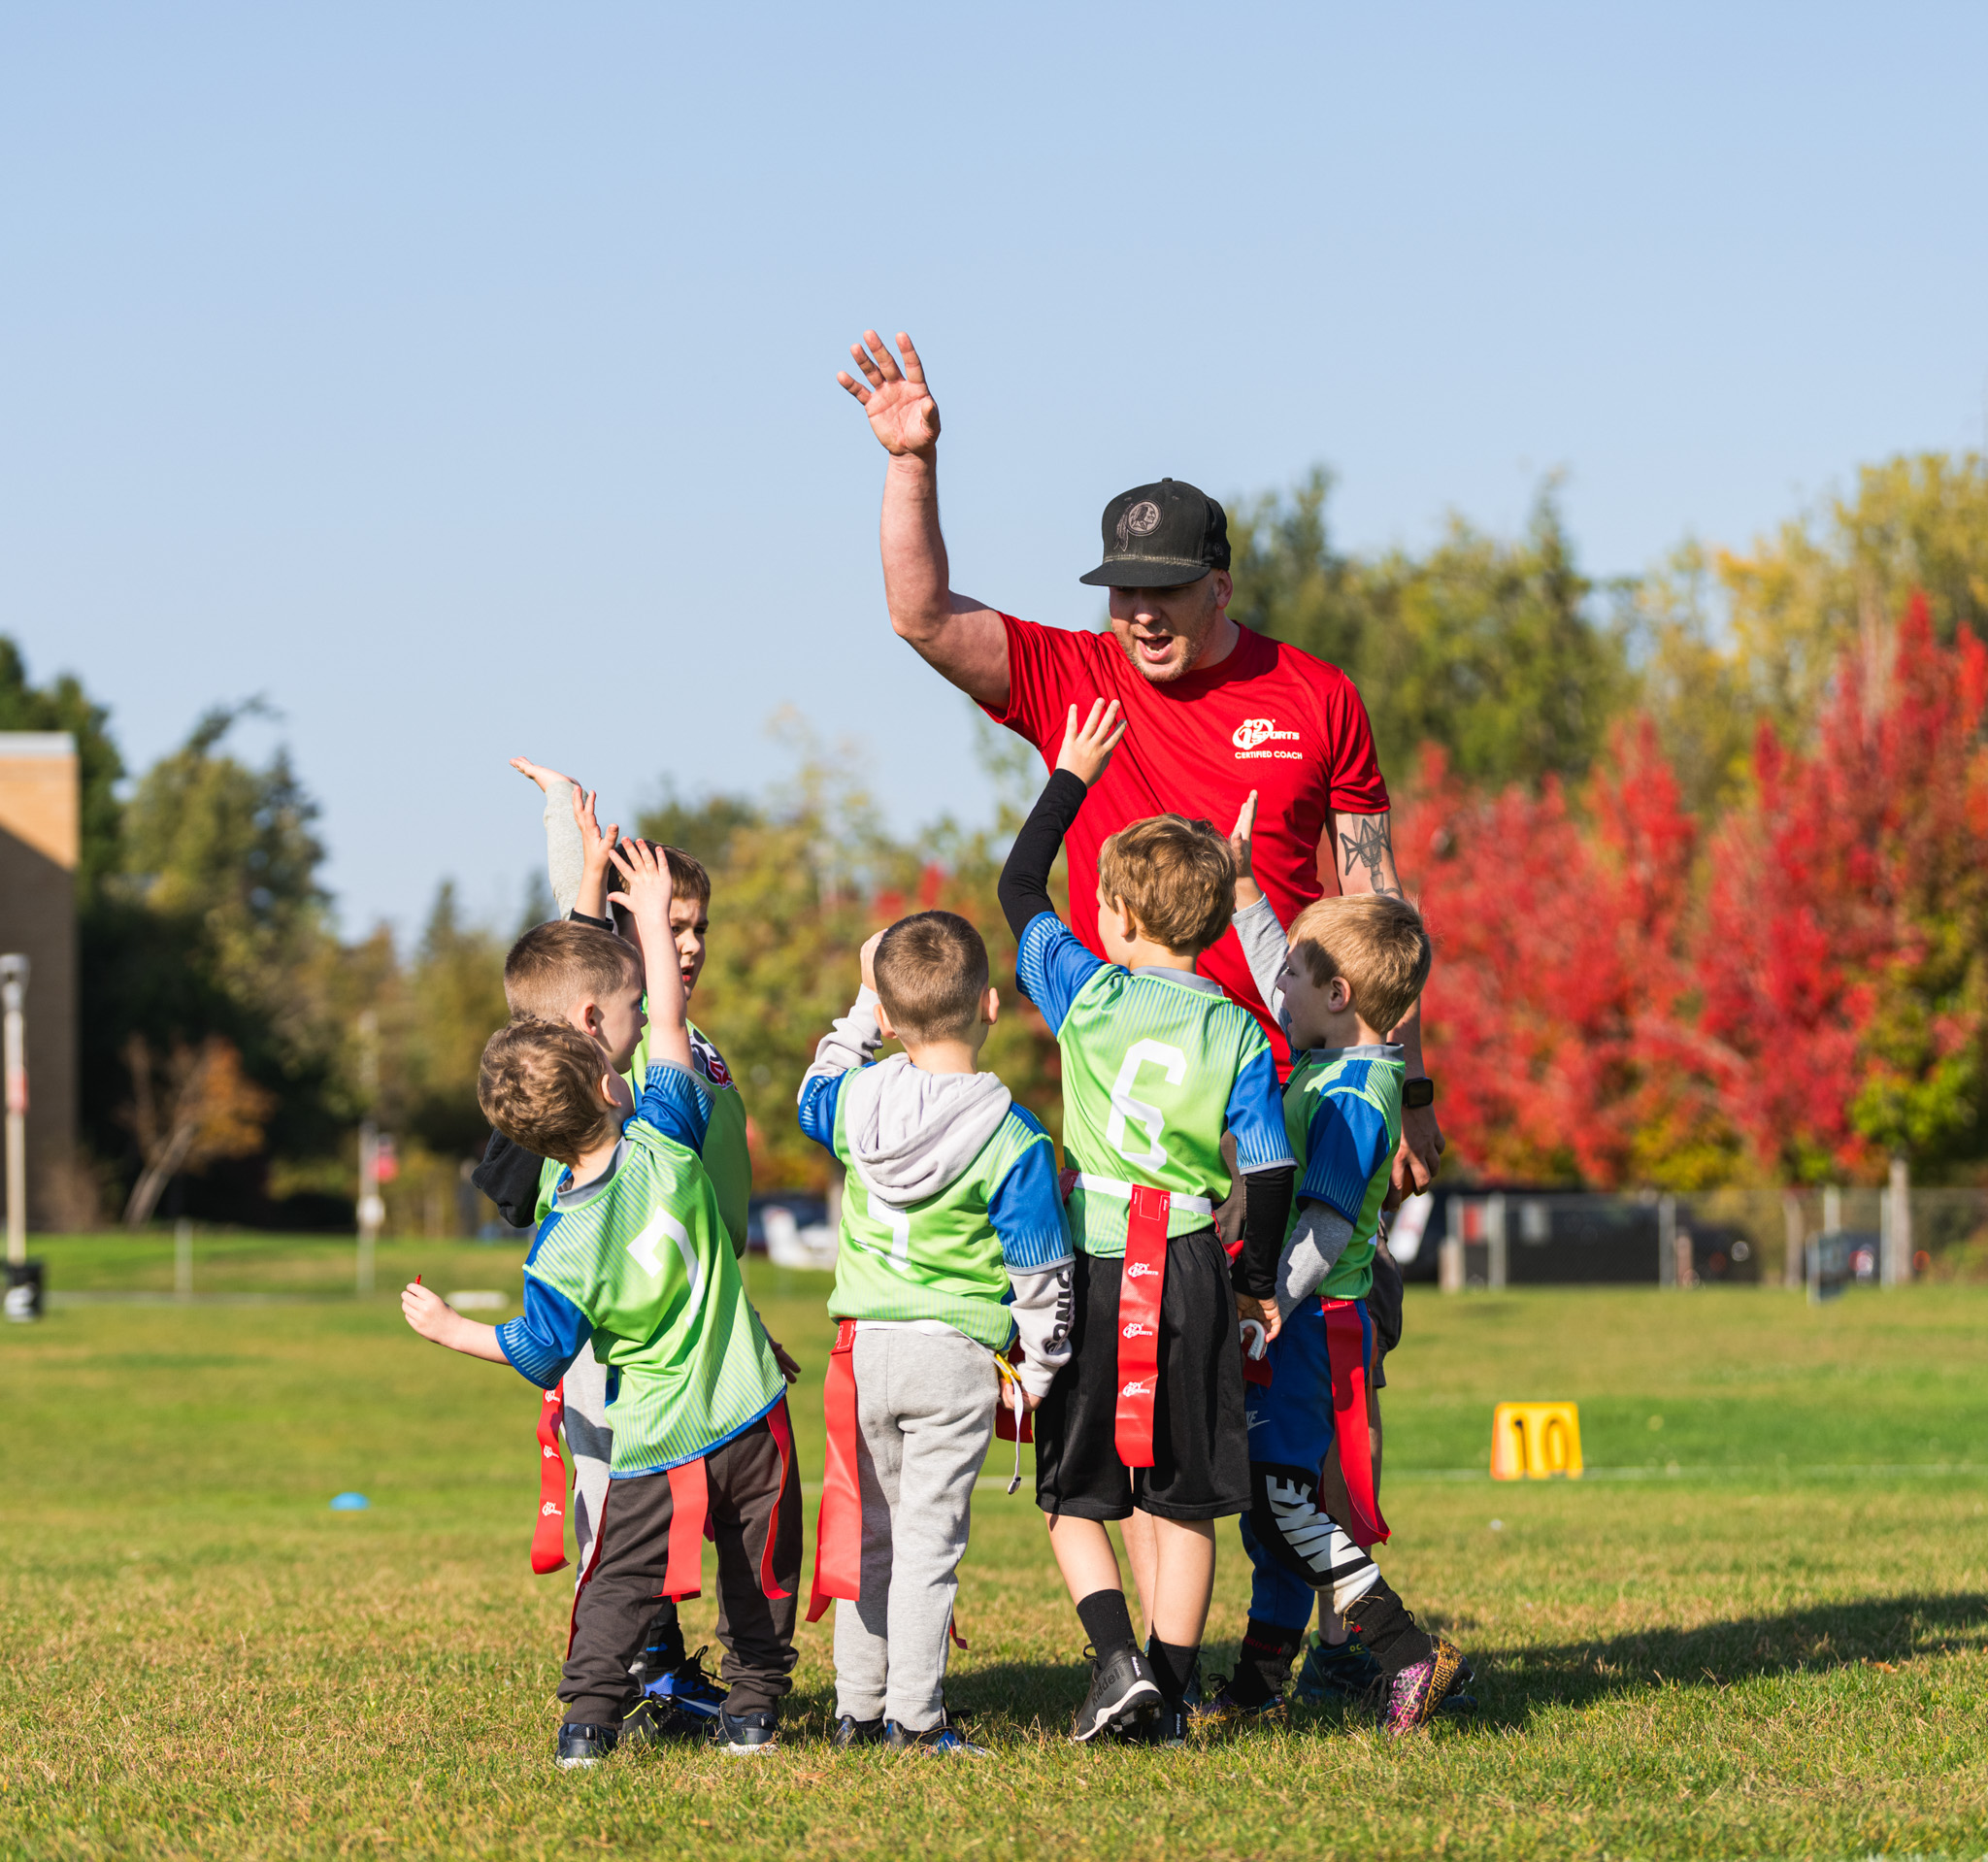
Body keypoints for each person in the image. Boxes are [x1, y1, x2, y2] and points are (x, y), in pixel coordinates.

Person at [835, 329, 1442, 1204]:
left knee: (1304, 1323)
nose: (1143, 616)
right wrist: (911, 464)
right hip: (1131, 1105)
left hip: (1287, 1086)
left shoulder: (1317, 695)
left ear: (1220, 587)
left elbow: (1380, 917)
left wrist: (1408, 1086)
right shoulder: (1071, 678)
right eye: (1125, 592)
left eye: (1166, 591)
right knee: (1145, 1335)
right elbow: (922, 615)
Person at [403, 841, 801, 1768]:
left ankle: (586, 1723)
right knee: (760, 1569)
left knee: (618, 1578)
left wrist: (453, 1328)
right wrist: (654, 925)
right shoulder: (669, 1133)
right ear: (605, 1074)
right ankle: (753, 1713)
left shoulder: (561, 1244)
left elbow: (540, 1353)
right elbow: (666, 1017)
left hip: (655, 1436)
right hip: (748, 1412)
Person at [996, 697, 1296, 1745]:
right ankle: (1165, 1695)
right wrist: (1254, 1275)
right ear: (1213, 926)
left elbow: (1016, 885)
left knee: (1074, 1495)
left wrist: (1071, 775)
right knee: (1185, 1499)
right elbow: (1266, 1168)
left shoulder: (1082, 991)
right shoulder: (1238, 1030)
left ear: (1116, 920)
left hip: (1089, 1255)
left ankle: (1114, 1662)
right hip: (1187, 1265)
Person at [796, 912, 1074, 1754]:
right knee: (928, 1544)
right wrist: (1040, 1370)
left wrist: (860, 997)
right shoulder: (1012, 1134)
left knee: (868, 1530)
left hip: (865, 1351)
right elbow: (1041, 1271)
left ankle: (855, 1706)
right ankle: (914, 1720)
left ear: (887, 1019)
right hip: (951, 1358)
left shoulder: (853, 1104)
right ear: (990, 1006)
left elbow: (819, 1083)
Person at [1205, 880, 1473, 1735]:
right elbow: (1276, 964)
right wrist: (1246, 890)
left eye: (1290, 978)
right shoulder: (1335, 1062)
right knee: (1269, 1501)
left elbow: (1321, 1228)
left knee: (1284, 1496)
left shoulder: (1354, 1098)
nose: (1273, 987)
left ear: (1337, 996)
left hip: (1315, 1321)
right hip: (1300, 1317)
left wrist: (1266, 1299)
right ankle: (1257, 1687)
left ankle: (1405, 1653)